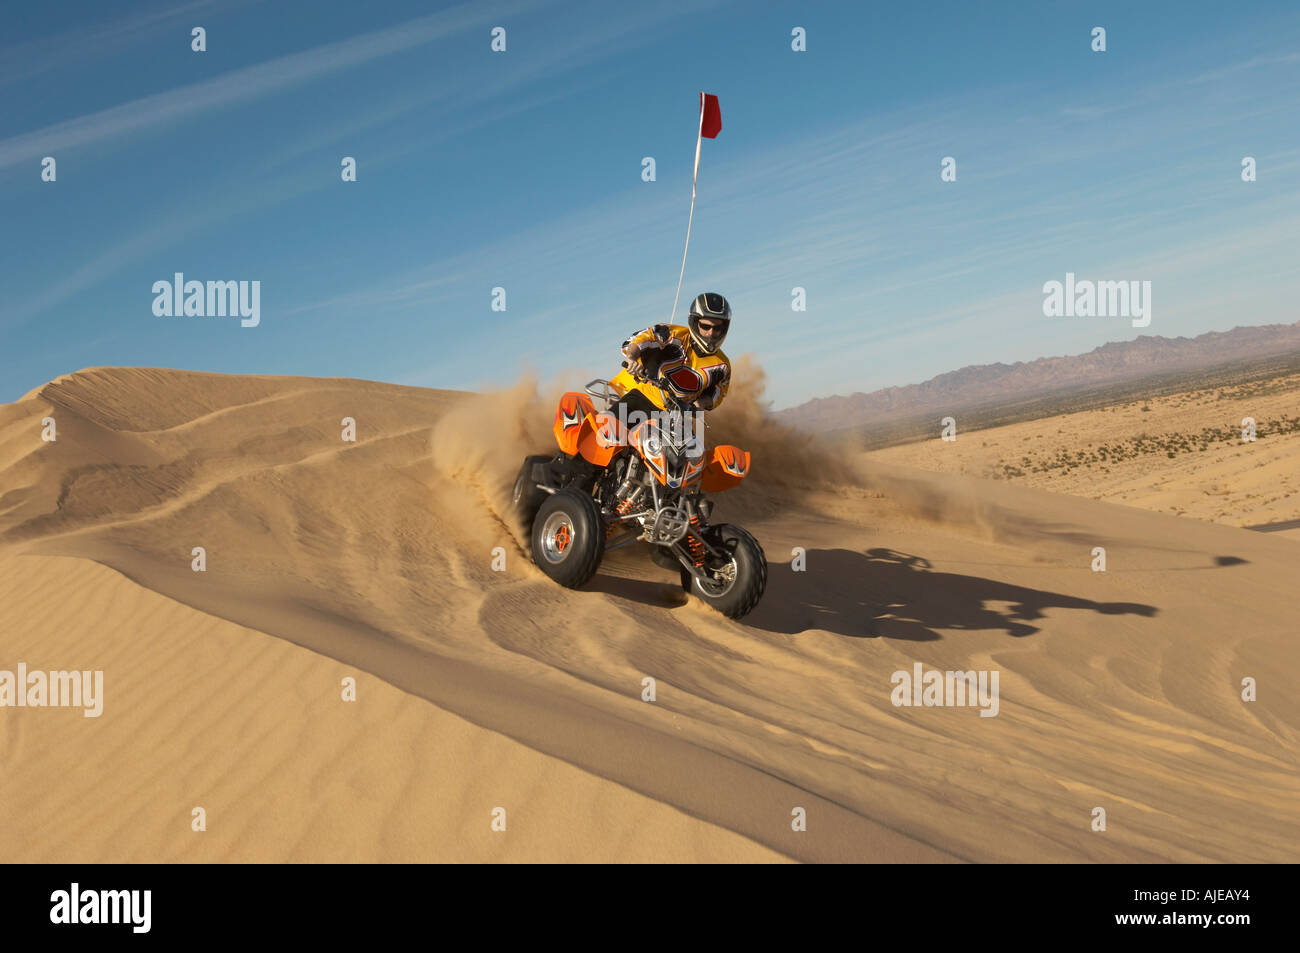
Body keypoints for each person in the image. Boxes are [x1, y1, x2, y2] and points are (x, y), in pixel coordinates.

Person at [609, 292, 734, 430]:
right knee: (606, 434)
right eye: (705, 326)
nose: (710, 333)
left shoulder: (723, 366)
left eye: (717, 328)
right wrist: (631, 358)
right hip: (643, 398)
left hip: (678, 417)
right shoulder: (671, 334)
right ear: (694, 321)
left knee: (692, 450)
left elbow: (718, 394)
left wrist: (701, 404)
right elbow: (642, 339)